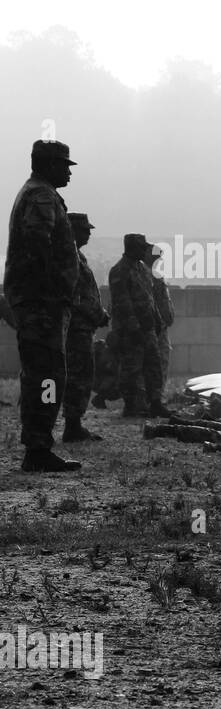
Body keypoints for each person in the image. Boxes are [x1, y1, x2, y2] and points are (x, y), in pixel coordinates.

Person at [3, 140, 81, 471]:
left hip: (39, 302)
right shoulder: (42, 195)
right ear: (48, 165)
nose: (68, 172)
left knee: (42, 374)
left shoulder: (38, 192)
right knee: (47, 377)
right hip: (41, 305)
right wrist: (51, 293)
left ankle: (38, 445)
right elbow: (38, 245)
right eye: (64, 165)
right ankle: (37, 449)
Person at [61, 213, 110, 441]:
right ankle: (72, 426)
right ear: (73, 230)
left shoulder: (76, 255)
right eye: (84, 230)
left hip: (82, 327)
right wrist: (97, 313)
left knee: (81, 375)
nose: (89, 234)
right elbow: (74, 295)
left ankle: (74, 423)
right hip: (76, 328)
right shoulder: (68, 256)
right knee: (78, 376)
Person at [109, 234, 169, 418]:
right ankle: (131, 405)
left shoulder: (142, 269)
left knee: (153, 367)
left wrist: (157, 322)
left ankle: (155, 403)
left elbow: (149, 298)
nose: (145, 251)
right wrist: (134, 328)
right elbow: (122, 303)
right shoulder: (120, 271)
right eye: (142, 248)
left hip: (148, 328)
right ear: (132, 249)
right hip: (130, 331)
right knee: (131, 369)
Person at [145, 246, 174, 391]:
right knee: (159, 363)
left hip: (156, 326)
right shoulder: (150, 276)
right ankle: (156, 396)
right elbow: (161, 303)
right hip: (156, 327)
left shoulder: (148, 275)